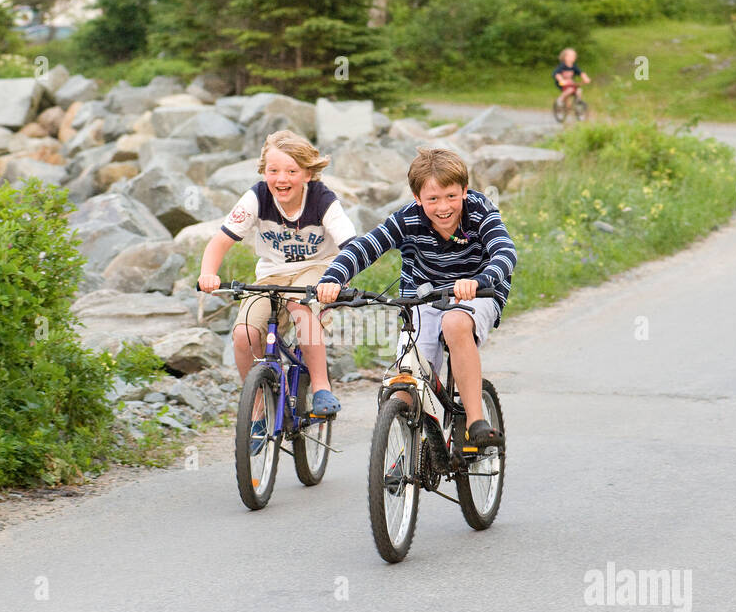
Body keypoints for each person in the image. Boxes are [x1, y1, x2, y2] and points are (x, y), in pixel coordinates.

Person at [316, 147, 516, 449]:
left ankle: (475, 421)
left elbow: (504, 251)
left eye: (451, 196)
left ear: (464, 190)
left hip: (478, 292)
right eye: (432, 199)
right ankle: (404, 453)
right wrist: (333, 278)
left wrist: (480, 281)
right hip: (423, 297)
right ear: (417, 198)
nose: (443, 207)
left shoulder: (480, 212)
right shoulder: (407, 219)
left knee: (455, 322)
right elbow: (365, 247)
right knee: (406, 380)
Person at [197, 130, 356, 426]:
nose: (281, 179)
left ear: (307, 174)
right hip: (272, 274)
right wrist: (208, 273)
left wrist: (338, 280)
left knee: (299, 306)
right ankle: (259, 407)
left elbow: (351, 245)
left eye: (291, 171)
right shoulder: (257, 197)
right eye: (273, 171)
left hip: (318, 269)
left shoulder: (323, 200)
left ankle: (321, 386)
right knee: (244, 334)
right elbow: (219, 242)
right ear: (264, 172)